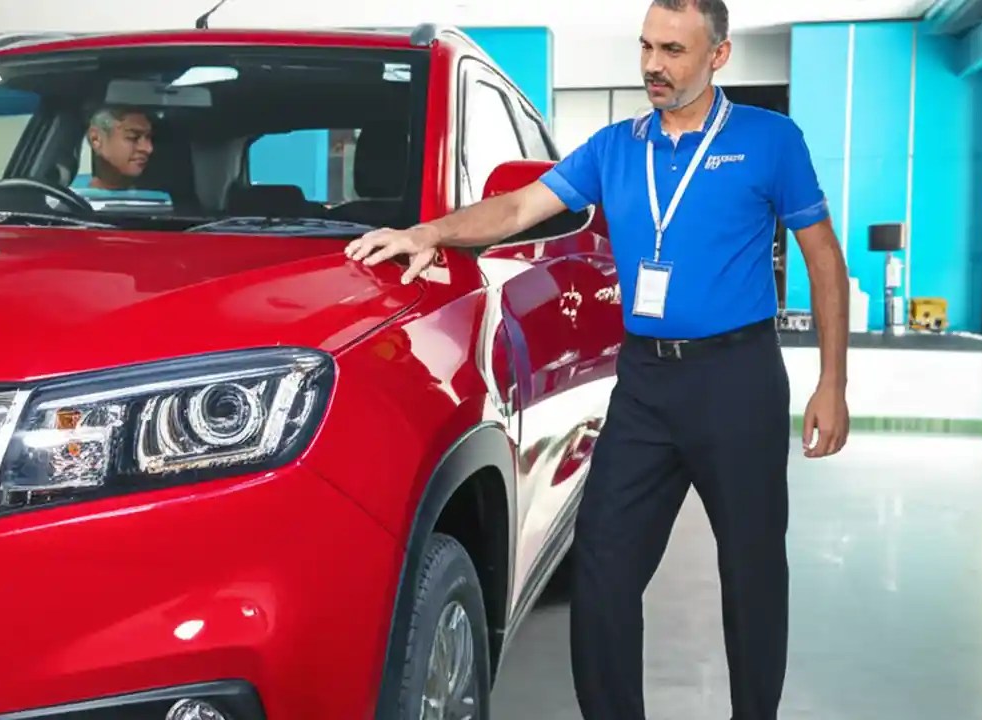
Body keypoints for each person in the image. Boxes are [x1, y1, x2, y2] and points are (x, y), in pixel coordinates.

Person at [344, 1, 850, 718]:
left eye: (674, 49)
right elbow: (520, 208)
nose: (653, 64)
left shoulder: (770, 141)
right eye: (646, 46)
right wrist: (431, 231)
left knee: (752, 573)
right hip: (644, 382)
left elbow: (822, 257)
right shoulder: (617, 146)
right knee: (605, 572)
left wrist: (833, 382)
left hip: (737, 379)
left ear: (719, 56)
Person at [84, 106, 155, 191]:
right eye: (133, 137)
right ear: (96, 139)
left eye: (148, 137)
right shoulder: (69, 196)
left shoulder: (161, 199)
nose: (148, 148)